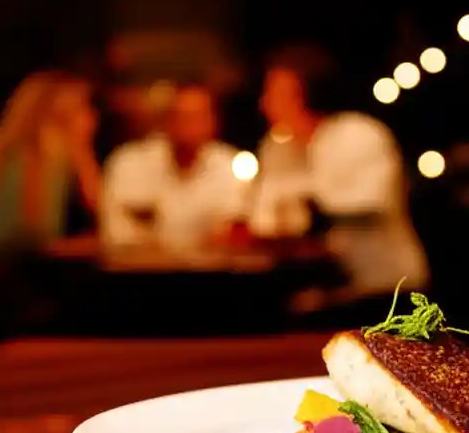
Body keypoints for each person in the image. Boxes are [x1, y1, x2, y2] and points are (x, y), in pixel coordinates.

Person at [252, 45, 429, 302]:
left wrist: (307, 205)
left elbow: (369, 202)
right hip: (320, 285)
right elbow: (267, 215)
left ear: (306, 94)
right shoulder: (276, 147)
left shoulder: (359, 134)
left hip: (387, 289)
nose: (264, 102)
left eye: (275, 92)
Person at [0, 71, 102, 255]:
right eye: (82, 107)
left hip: (7, 258)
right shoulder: (29, 153)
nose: (92, 117)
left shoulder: (61, 158)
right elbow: (33, 233)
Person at [100, 83, 247, 251]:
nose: (188, 126)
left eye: (197, 117)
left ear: (213, 122)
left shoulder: (230, 166)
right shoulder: (129, 163)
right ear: (167, 121)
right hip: (141, 273)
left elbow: (233, 232)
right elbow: (118, 233)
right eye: (181, 116)